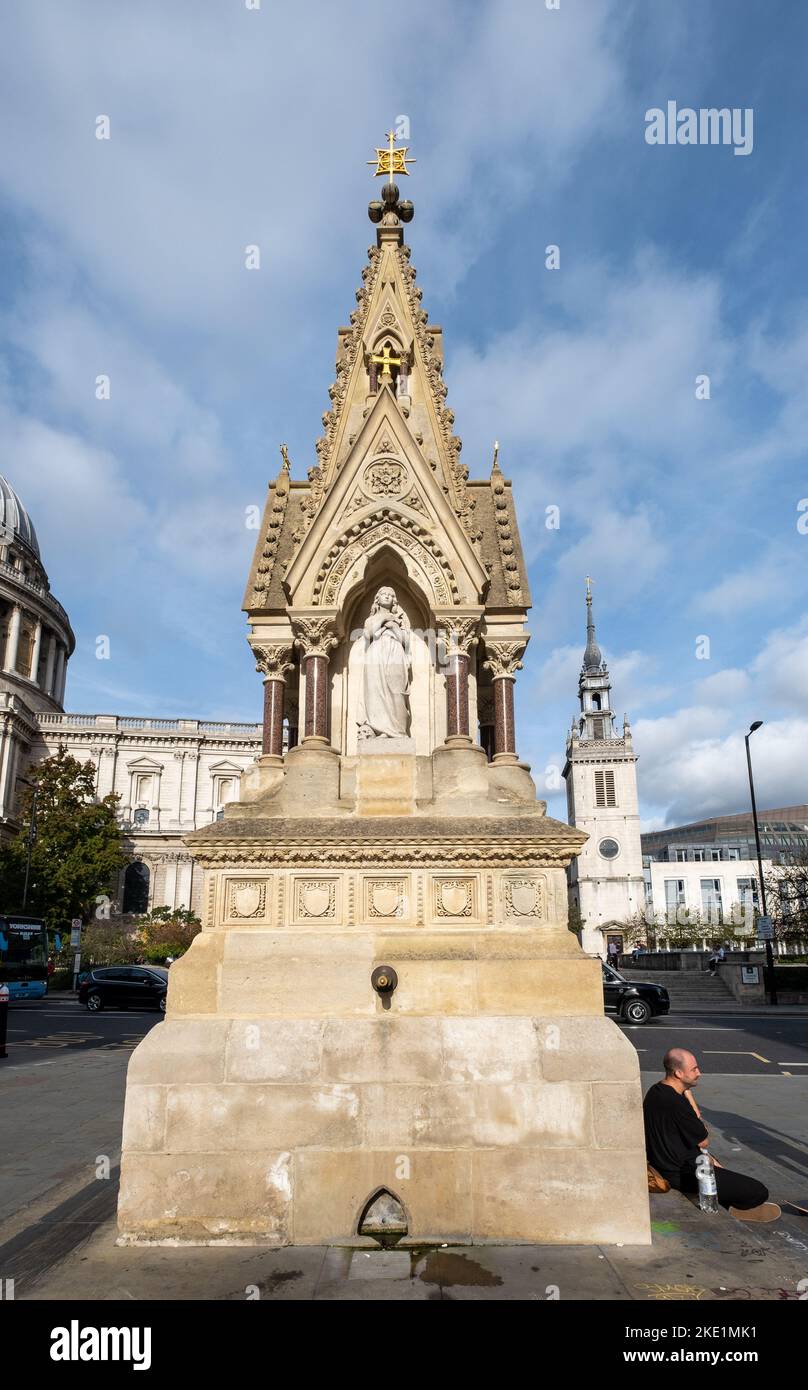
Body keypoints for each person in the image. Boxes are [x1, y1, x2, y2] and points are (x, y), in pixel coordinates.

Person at [643, 1048, 780, 1221]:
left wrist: (686, 1092)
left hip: (668, 1164)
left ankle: (726, 1193)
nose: (699, 1073)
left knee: (719, 1167)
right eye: (694, 1069)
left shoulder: (655, 1091)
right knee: (759, 1192)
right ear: (678, 1073)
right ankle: (732, 1206)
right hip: (683, 1173)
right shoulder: (677, 1104)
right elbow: (703, 1140)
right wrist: (691, 1102)